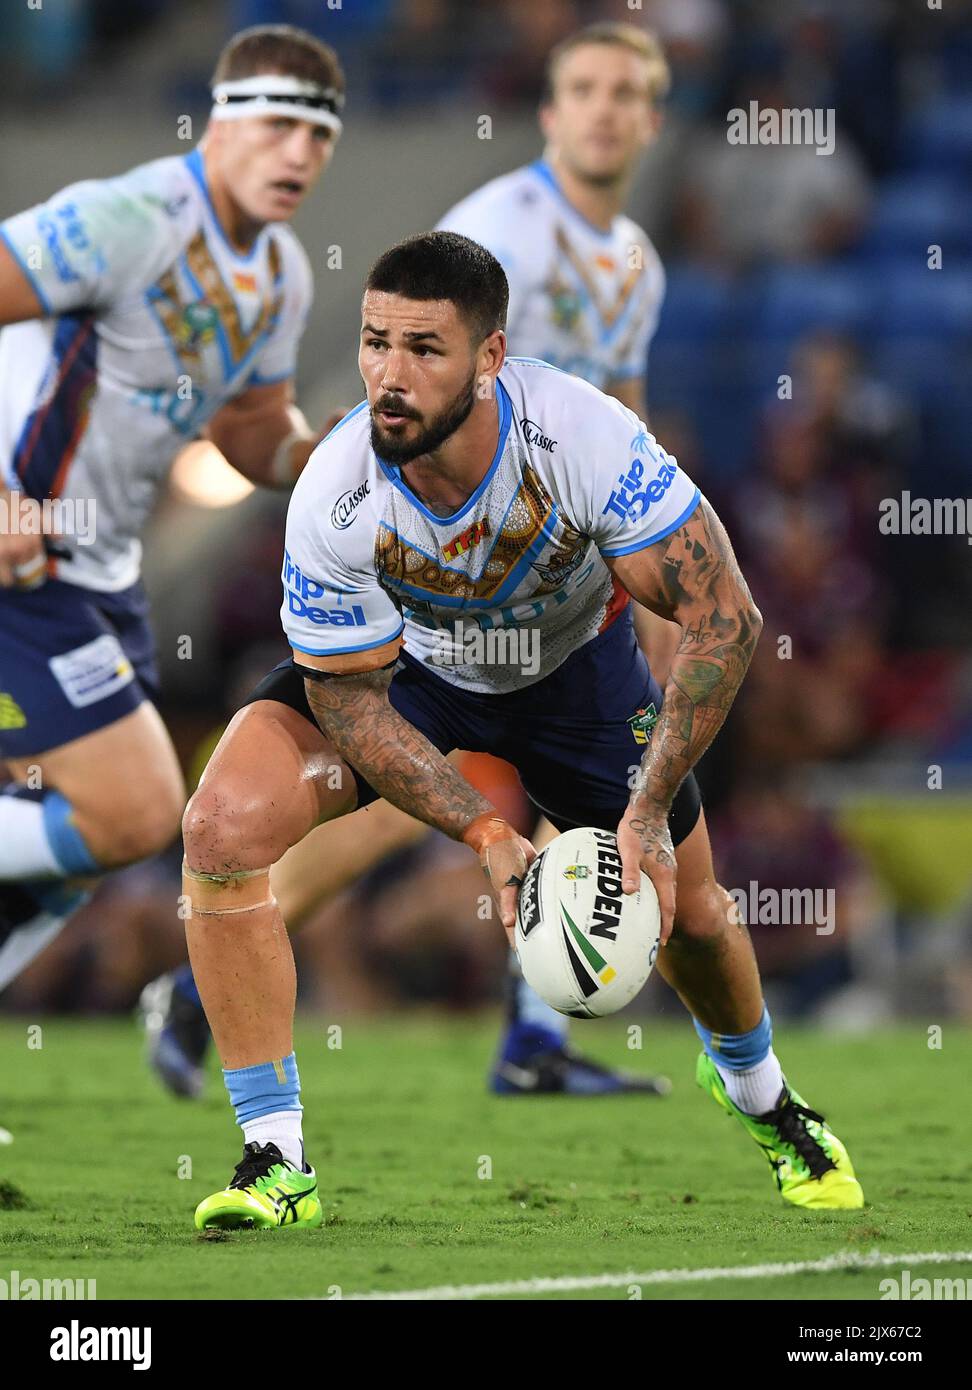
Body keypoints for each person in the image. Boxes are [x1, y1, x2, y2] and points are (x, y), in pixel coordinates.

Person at [183, 231, 863, 1230]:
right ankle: (275, 1158)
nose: (389, 375)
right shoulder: (336, 489)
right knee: (220, 827)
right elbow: (347, 701)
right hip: (407, 671)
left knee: (700, 917)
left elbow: (727, 617)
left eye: (424, 348)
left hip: (573, 679)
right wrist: (488, 835)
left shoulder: (583, 439)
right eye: (375, 342)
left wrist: (643, 807)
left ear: (490, 359)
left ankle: (766, 1099)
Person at [149, 20, 680, 1097]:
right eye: (584, 87)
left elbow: (623, 412)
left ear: (652, 117)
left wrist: (654, 585)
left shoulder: (635, 262)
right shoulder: (503, 229)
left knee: (551, 773)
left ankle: (536, 1027)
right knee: (397, 785)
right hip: (441, 552)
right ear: (549, 110)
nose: (605, 109)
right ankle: (209, 969)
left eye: (628, 91)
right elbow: (414, 369)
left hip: (553, 569)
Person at [0, 25, 346, 1090]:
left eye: (319, 136)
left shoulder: (279, 276)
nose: (297, 154)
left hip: (102, 577)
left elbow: (246, 433)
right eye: (278, 123)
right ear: (226, 115)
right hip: (26, 558)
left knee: (77, 857)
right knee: (140, 810)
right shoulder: (131, 217)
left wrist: (333, 456)